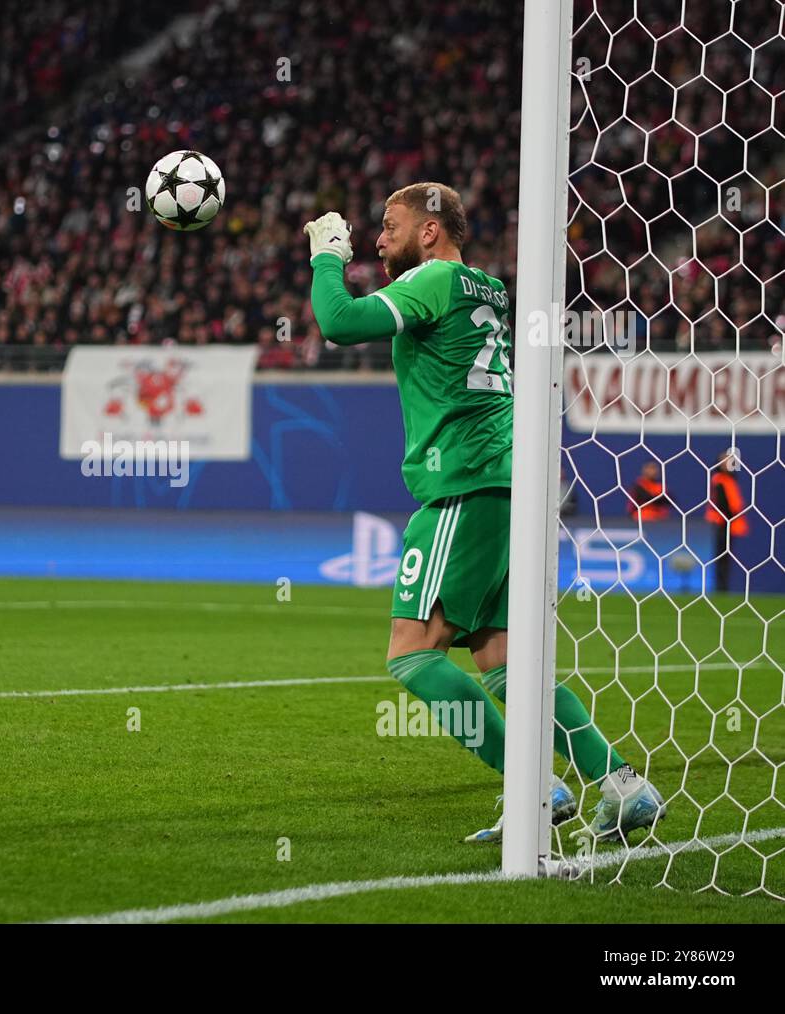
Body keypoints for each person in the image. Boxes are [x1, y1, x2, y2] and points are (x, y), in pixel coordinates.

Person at [305, 183, 665, 844]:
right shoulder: (485, 288)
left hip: (464, 482)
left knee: (411, 655)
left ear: (432, 231)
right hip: (511, 481)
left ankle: (528, 790)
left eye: (390, 225)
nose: (378, 239)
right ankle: (621, 785)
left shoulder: (435, 277)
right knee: (501, 661)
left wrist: (327, 257)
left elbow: (339, 324)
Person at [706, 448, 748, 593]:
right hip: (722, 523)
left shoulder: (730, 479)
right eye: (724, 460)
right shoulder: (719, 479)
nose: (727, 463)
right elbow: (721, 502)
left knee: (726, 557)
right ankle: (720, 588)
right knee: (721, 556)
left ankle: (723, 588)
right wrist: (729, 516)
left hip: (729, 523)